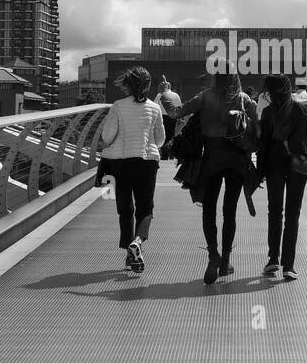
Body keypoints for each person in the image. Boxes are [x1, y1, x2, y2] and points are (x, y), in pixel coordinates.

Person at [178, 70, 258, 285]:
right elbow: (258, 124)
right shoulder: (243, 99)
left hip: (211, 158)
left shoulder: (204, 96)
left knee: (209, 210)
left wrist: (165, 96)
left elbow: (178, 112)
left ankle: (213, 254)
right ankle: (226, 261)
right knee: (229, 211)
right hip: (237, 160)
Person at [98, 67, 165, 274]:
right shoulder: (154, 108)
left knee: (125, 209)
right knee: (146, 210)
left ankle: (129, 252)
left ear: (128, 85)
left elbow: (107, 137)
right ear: (147, 86)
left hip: (121, 164)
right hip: (146, 163)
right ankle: (137, 242)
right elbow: (161, 139)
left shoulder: (118, 106)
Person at [257, 73, 307, 281]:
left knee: (275, 211)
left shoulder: (267, 112)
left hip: (274, 165)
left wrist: (259, 171)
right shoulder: (304, 109)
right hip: (297, 165)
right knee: (293, 214)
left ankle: (273, 259)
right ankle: (289, 266)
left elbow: (262, 144)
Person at [156, 77, 182, 149]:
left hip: (162, 117)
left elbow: (155, 107)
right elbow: (179, 107)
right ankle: (170, 151)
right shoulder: (176, 95)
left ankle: (163, 151)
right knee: (171, 134)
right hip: (173, 117)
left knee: (163, 135)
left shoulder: (159, 95)